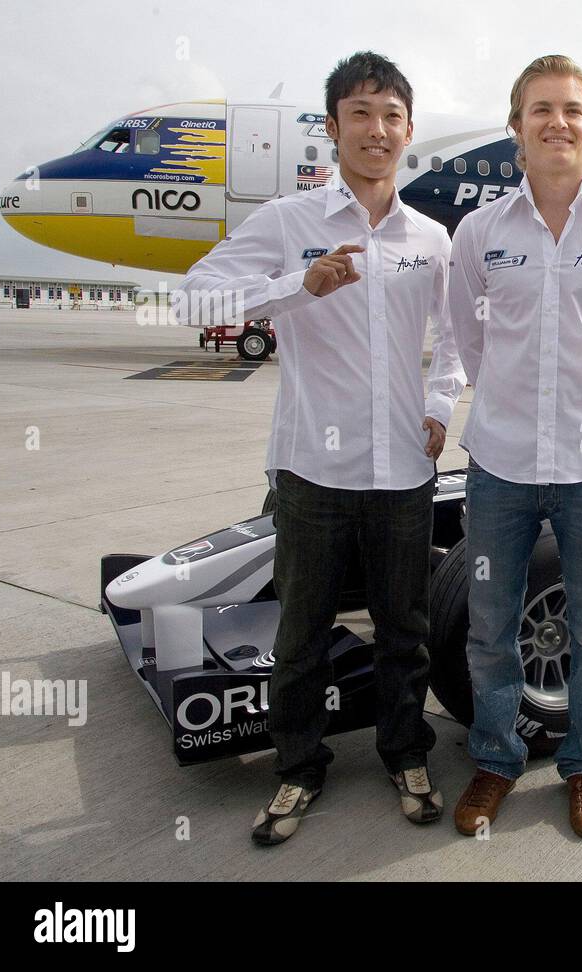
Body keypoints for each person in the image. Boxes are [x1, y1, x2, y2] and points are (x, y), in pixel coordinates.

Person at [174, 52, 465, 846]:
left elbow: (455, 341)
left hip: (404, 467)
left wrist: (440, 405)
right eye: (361, 114)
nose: (378, 130)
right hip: (313, 468)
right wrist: (296, 288)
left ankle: (406, 754)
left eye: (392, 116)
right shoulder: (286, 222)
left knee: (404, 625)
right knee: (301, 632)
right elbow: (190, 294)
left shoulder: (431, 239)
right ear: (332, 128)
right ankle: (298, 768)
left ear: (409, 132)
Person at [447, 54, 582, 839]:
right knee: (489, 623)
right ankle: (496, 761)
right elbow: (468, 338)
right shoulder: (480, 233)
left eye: (572, 109)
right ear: (517, 128)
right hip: (499, 465)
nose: (557, 122)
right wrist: (503, 401)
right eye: (541, 109)